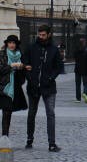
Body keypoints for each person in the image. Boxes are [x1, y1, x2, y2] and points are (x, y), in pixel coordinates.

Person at [22, 24, 63, 152]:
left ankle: (52, 143)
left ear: (49, 34)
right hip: (33, 86)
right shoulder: (31, 47)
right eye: (39, 35)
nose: (41, 37)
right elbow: (25, 64)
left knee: (50, 114)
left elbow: (58, 67)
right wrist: (30, 77)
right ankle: (29, 139)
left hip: (49, 87)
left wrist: (51, 78)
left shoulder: (54, 49)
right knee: (31, 113)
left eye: (43, 35)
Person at [0, 34, 28, 137]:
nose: (12, 45)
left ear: (16, 45)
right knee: (6, 111)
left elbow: (24, 72)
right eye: (10, 43)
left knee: (9, 111)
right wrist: (12, 66)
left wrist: (21, 68)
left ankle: (5, 135)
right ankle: (4, 136)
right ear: (6, 44)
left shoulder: (20, 55)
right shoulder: (0, 54)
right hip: (4, 86)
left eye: (14, 43)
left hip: (15, 86)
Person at [73, 38, 87, 103]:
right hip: (85, 70)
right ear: (84, 43)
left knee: (78, 84)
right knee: (86, 84)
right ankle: (85, 94)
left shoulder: (76, 50)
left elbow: (75, 58)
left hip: (77, 69)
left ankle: (78, 99)